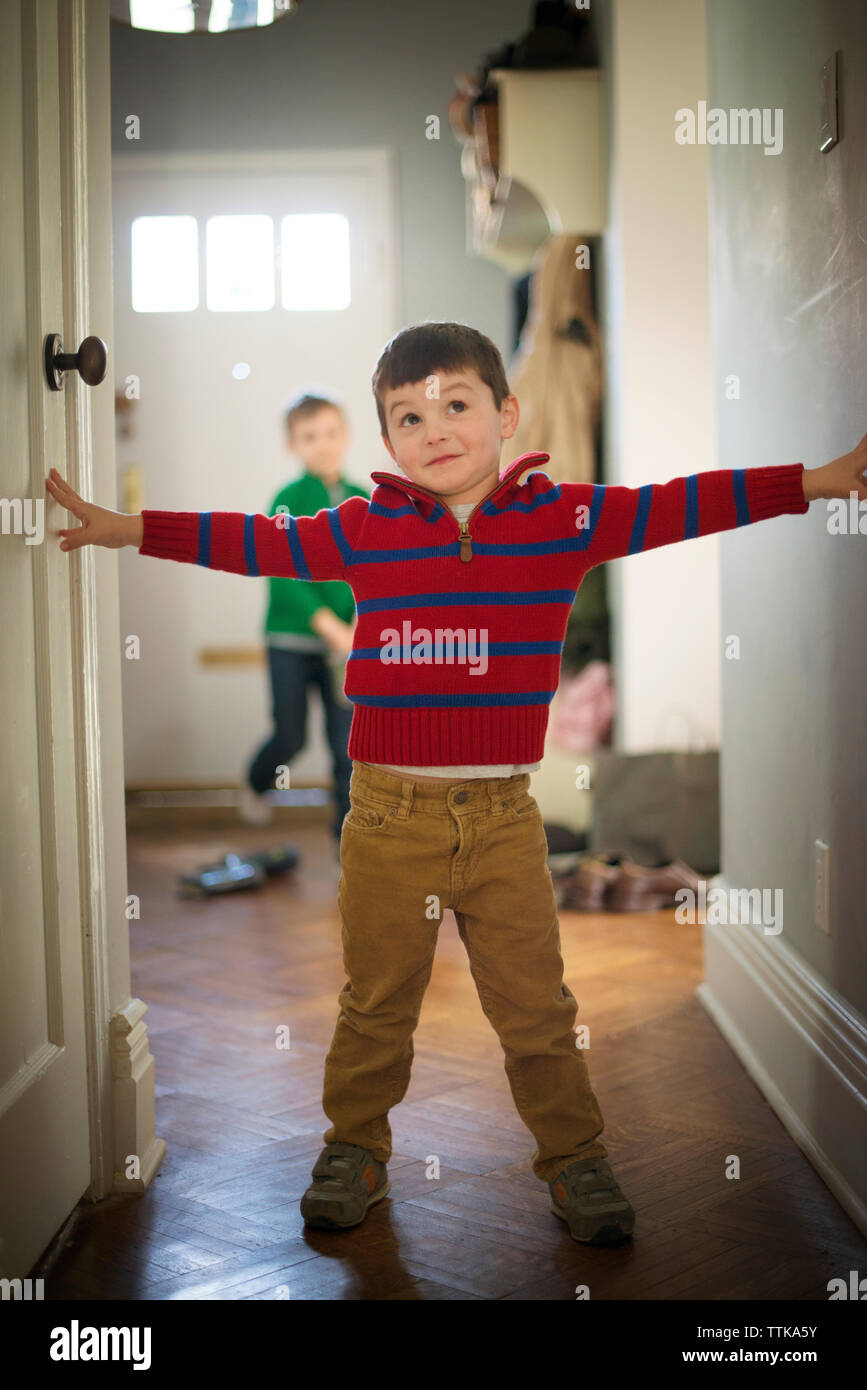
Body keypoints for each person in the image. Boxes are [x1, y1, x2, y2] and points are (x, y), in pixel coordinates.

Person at [46, 321, 867, 1246]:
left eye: (455, 405)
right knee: (375, 1002)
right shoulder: (362, 526)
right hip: (389, 815)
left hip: (505, 820)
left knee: (537, 1009)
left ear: (505, 413)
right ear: (385, 439)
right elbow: (251, 541)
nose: (432, 429)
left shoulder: (564, 519)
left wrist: (812, 481)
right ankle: (353, 1148)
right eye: (406, 415)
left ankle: (575, 1158)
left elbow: (683, 502)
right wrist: (127, 529)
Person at [239, 390, 370, 853]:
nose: (323, 444)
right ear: (291, 445)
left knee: (346, 744)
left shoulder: (364, 500)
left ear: (347, 436)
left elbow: (374, 570)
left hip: (347, 648)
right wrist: (327, 625)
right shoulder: (287, 499)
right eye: (309, 436)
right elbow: (281, 574)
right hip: (291, 642)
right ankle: (256, 783)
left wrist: (356, 627)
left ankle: (346, 840)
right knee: (290, 735)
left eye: (331, 433)